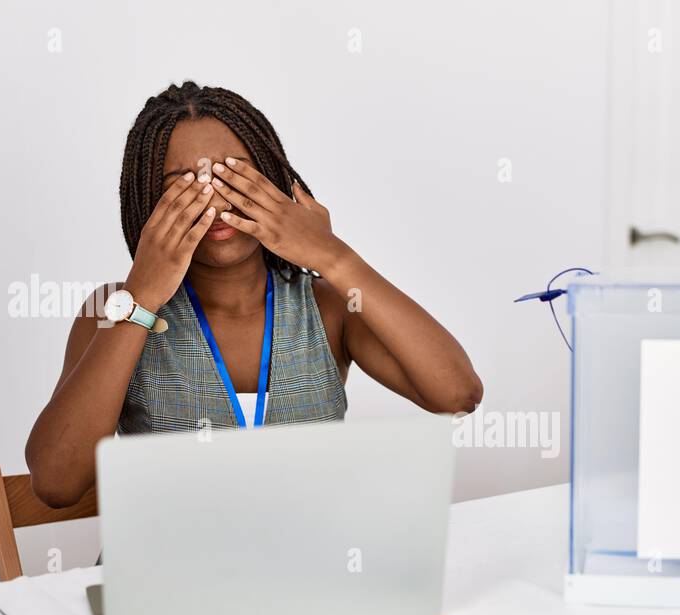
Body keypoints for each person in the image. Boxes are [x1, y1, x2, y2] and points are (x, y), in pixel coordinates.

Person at [26, 81, 481, 508]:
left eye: (234, 176)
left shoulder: (329, 306)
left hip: (308, 574)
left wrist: (335, 258)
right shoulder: (116, 311)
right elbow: (56, 484)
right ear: (148, 203)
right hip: (169, 584)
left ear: (276, 186)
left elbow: (457, 394)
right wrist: (141, 295)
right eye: (184, 186)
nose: (217, 201)